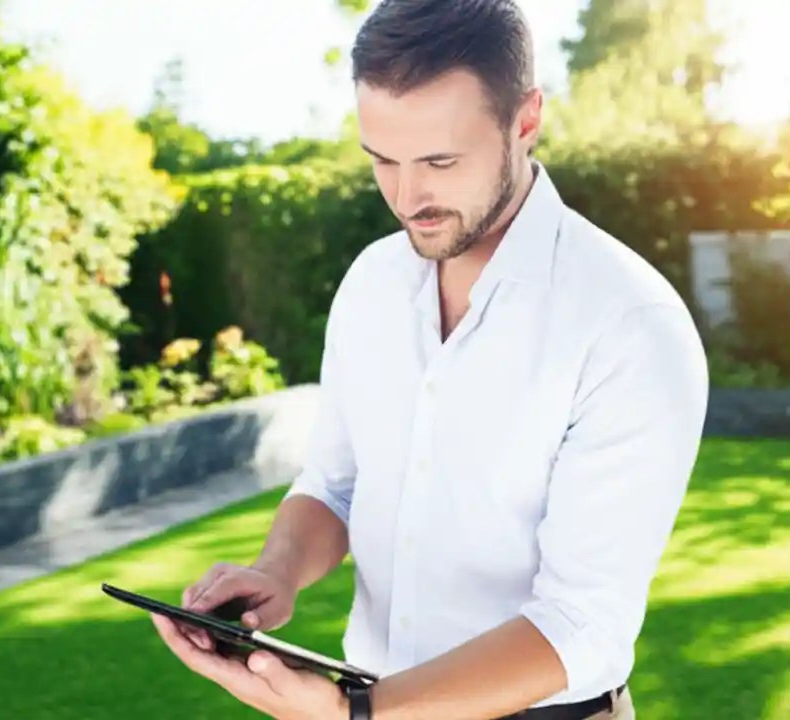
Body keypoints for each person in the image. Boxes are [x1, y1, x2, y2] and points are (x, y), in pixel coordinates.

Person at [148, 1, 709, 717]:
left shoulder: (629, 324)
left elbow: (582, 625)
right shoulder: (372, 285)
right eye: (383, 160)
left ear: (526, 120)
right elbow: (337, 483)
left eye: (440, 161)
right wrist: (275, 572)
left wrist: (360, 714)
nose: (408, 197)